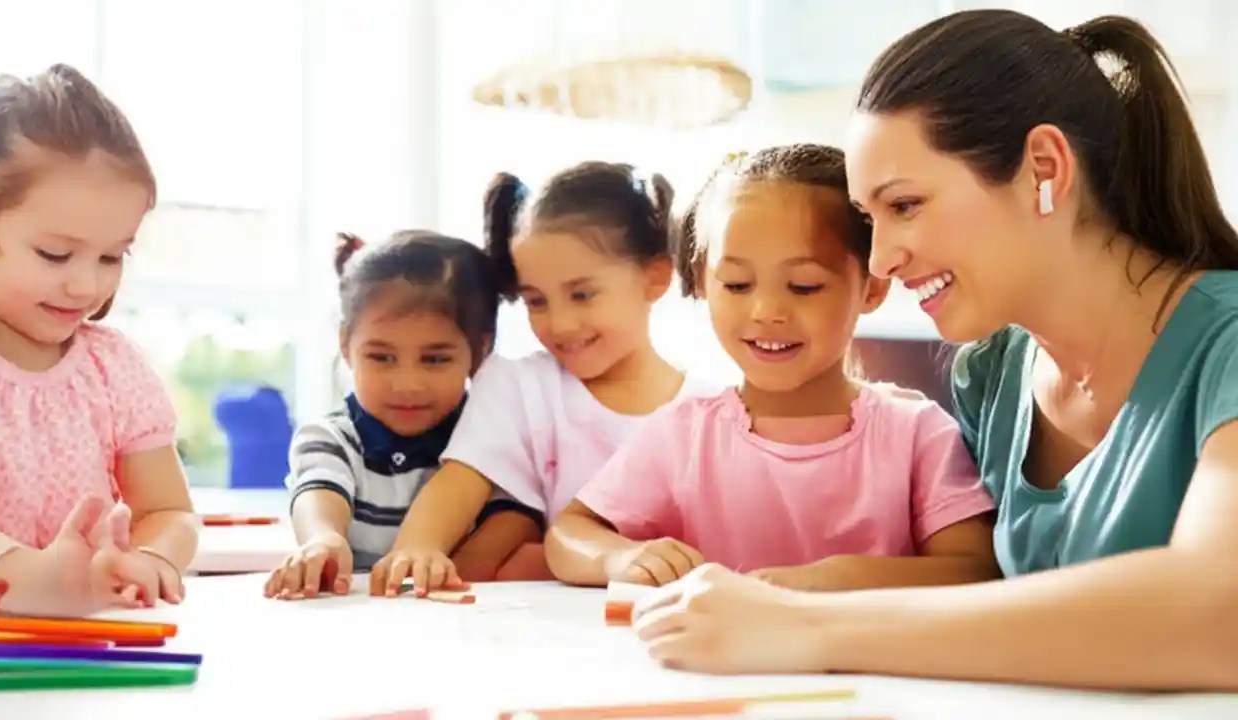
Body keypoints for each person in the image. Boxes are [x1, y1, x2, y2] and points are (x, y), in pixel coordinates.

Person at [627, 10, 1238, 692]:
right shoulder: (993, 375)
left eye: (906, 205)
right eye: (869, 220)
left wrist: (806, 626)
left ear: (1044, 167)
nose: (883, 257)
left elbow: (1220, 614)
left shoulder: (1228, 345)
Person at [545, 144, 996, 590]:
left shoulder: (917, 434)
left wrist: (841, 578)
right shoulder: (683, 435)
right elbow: (569, 534)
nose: (765, 311)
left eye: (804, 286)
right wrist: (620, 556)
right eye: (737, 284)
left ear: (872, 289)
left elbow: (974, 570)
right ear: (703, 283)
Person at [374, 163, 717, 597]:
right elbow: (461, 482)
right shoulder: (520, 384)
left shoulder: (711, 409)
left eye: (582, 294)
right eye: (536, 301)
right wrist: (418, 548)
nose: (560, 323)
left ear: (655, 277)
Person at [0, 64, 198, 617]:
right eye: (55, 254)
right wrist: (45, 580)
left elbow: (168, 509)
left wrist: (149, 559)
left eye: (113, 256)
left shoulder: (113, 368)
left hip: (82, 638)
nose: (86, 285)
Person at [264, 229, 512, 599]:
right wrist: (323, 539)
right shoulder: (331, 437)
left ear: (480, 351)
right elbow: (319, 491)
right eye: (381, 357)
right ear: (346, 346)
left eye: (435, 359)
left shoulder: (486, 439)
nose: (407, 384)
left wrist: (452, 567)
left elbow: (512, 521)